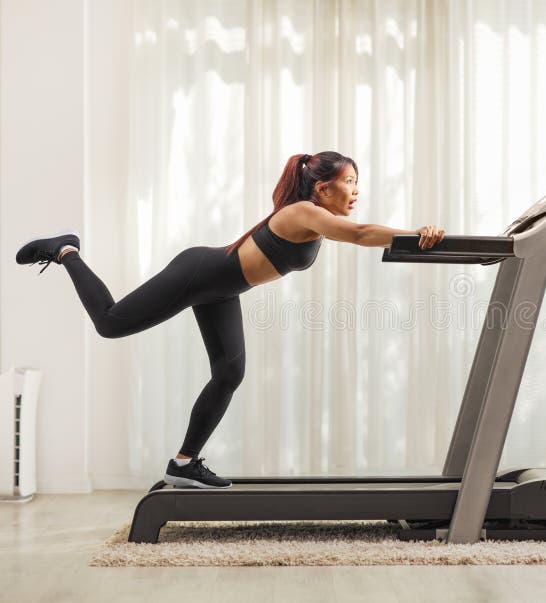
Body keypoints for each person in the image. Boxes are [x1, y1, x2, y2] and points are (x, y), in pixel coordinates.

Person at [15, 151, 445, 488]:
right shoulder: (303, 212)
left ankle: (184, 464)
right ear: (322, 187)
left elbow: (358, 230)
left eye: (357, 183)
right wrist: (417, 233)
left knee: (228, 374)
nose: (356, 191)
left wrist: (413, 239)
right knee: (109, 323)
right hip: (199, 273)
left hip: (222, 288)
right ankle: (65, 250)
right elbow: (361, 233)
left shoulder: (314, 218)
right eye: (350, 182)